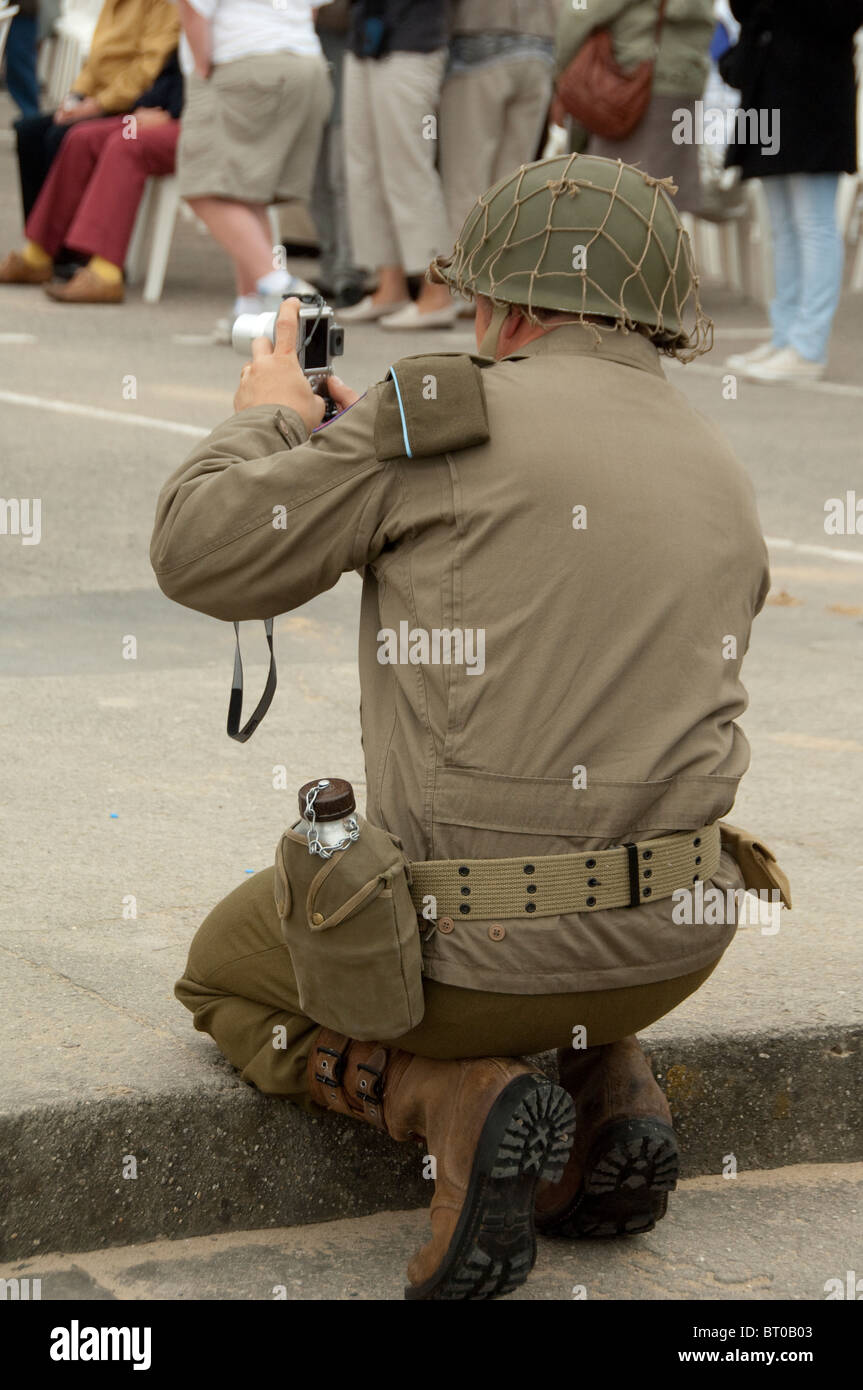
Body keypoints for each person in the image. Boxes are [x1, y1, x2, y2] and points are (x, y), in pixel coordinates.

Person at [150, 154, 787, 1301]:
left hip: (477, 956)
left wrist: (271, 426)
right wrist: (356, 453)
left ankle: (449, 1098)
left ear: (507, 303)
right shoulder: (716, 461)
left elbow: (201, 550)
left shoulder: (438, 420)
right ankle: (605, 1086)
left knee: (218, 973)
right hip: (674, 946)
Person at [721, 0, 863, 384]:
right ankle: (785, 336)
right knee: (781, 225)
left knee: (813, 222)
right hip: (770, 89)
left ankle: (807, 346)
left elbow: (841, 17)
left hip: (815, 92)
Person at [176, 0, 332, 339]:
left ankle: (282, 286)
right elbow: (311, 10)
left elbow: (193, 8)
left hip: (245, 64)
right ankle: (250, 316)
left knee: (200, 186)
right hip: (306, 62)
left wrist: (203, 69)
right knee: (246, 193)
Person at [0, 55, 183, 301]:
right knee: (81, 137)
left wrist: (174, 113)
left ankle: (105, 274)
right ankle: (39, 256)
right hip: (156, 112)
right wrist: (147, 106)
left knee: (125, 143)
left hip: (193, 122)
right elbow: (172, 73)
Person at [12, 0, 180, 231]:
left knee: (62, 136)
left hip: (129, 104)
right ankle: (40, 240)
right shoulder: (113, 3)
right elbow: (94, 62)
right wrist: (74, 98)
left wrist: (97, 105)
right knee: (28, 132)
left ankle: (66, 243)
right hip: (96, 100)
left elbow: (146, 70)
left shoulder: (162, 5)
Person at [338, 0, 456, 329]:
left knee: (407, 167)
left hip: (414, 42)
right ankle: (389, 285)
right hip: (365, 38)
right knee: (364, 169)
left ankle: (436, 294)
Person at [555, 0, 715, 214]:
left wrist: (562, 72)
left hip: (631, 85)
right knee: (664, 205)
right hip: (684, 81)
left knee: (615, 199)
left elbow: (579, 12)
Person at [439, 0, 559, 237]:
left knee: (466, 187)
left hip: (479, 43)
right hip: (540, 48)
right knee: (511, 191)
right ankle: (503, 272)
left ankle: (463, 271)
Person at [310, 0, 365, 308]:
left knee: (342, 177)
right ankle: (330, 268)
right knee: (314, 180)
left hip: (346, 64)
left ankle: (349, 273)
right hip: (310, 68)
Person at [5, 0, 41, 120]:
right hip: (18, 11)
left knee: (21, 68)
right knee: (19, 69)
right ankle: (31, 118)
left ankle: (32, 119)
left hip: (21, 11)